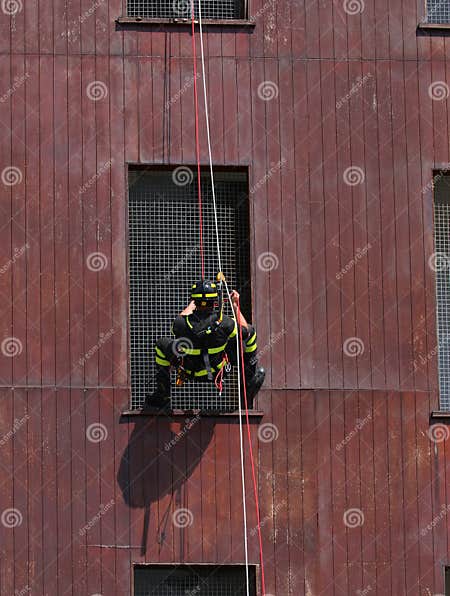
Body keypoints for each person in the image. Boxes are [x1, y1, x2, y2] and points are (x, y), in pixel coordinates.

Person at [144, 279, 265, 411]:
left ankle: (163, 395)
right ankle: (248, 382)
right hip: (218, 372)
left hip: (190, 372)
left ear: (194, 300)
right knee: (250, 332)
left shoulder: (181, 324)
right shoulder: (224, 323)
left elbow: (180, 320)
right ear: (215, 302)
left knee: (162, 344)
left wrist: (191, 305)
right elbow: (245, 332)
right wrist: (236, 306)